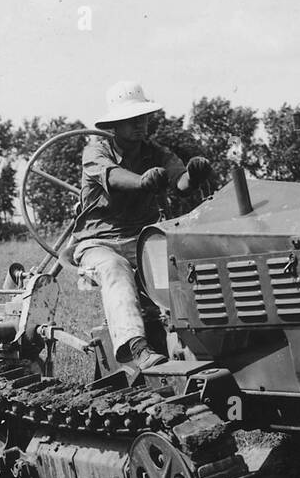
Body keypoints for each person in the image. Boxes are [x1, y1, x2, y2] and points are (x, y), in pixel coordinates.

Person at [68, 80, 213, 373]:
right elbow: (114, 177)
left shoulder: (156, 152)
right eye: (131, 120)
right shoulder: (96, 152)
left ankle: (193, 346)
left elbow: (180, 181)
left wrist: (193, 176)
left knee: (180, 270)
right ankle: (137, 348)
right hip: (98, 244)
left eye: (143, 118)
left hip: (143, 241)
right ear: (115, 126)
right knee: (114, 269)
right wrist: (142, 181)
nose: (140, 125)